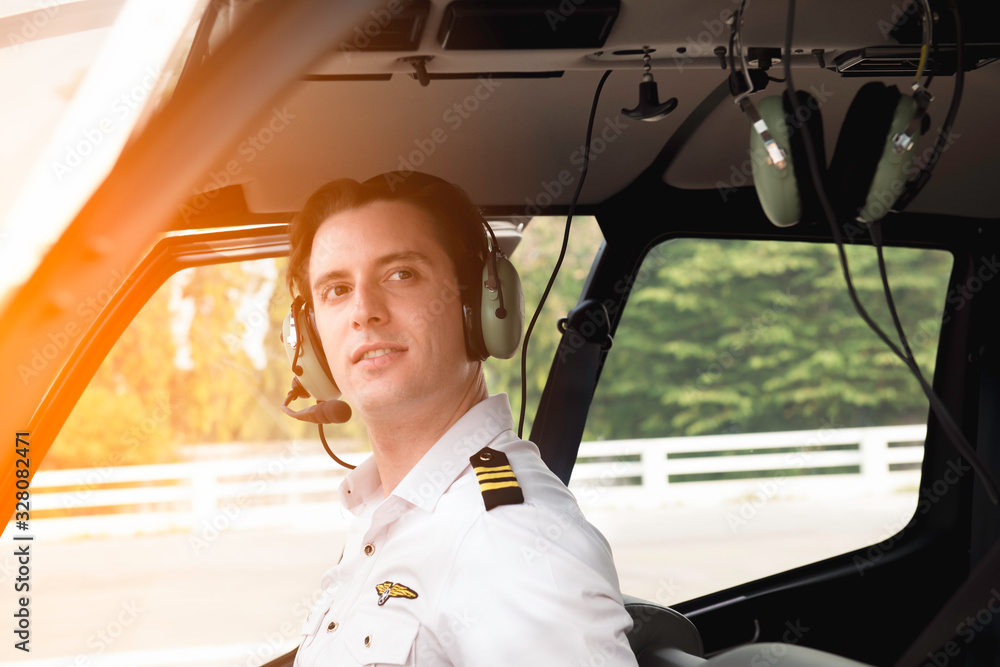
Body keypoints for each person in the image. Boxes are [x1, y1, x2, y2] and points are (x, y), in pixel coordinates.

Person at [285, 171, 638, 666]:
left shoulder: (512, 538)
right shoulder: (385, 513)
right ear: (309, 337)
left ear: (481, 304)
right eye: (337, 289)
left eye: (401, 274)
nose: (364, 311)